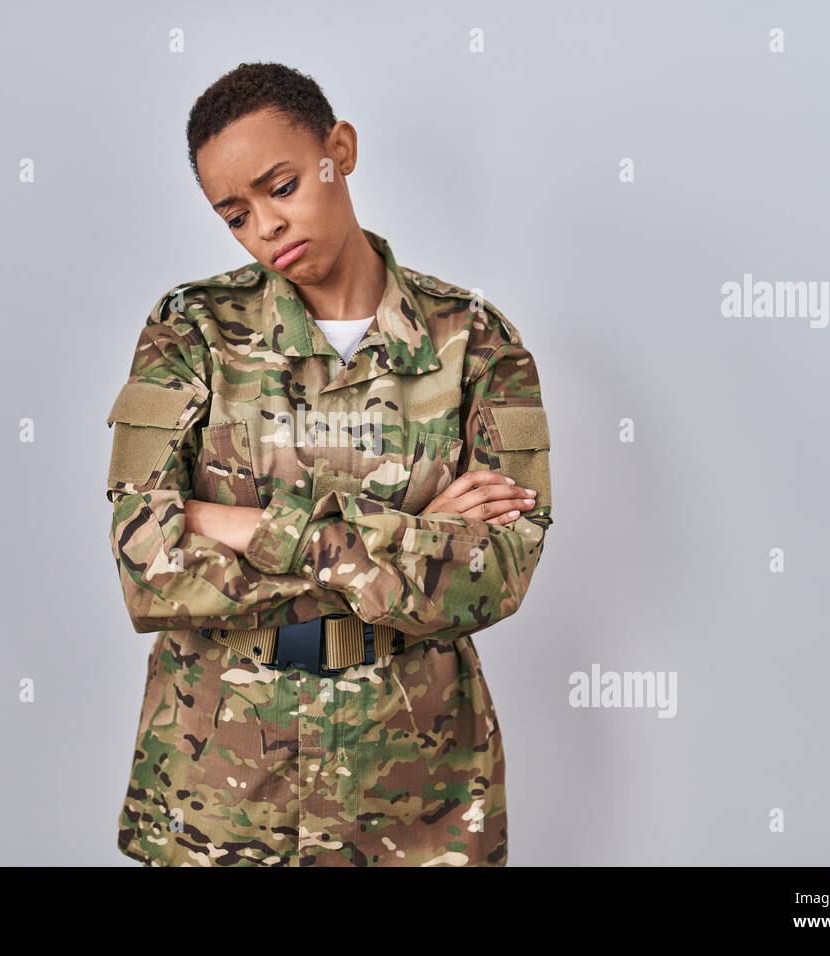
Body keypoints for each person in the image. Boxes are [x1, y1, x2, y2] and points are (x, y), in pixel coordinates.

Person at [105, 62, 553, 867]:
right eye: (235, 214)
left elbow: (498, 572)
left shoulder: (478, 340)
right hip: (220, 770)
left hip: (418, 774)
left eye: (281, 186)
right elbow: (147, 564)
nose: (265, 227)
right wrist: (416, 537)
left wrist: (238, 525)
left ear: (337, 150)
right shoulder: (190, 331)